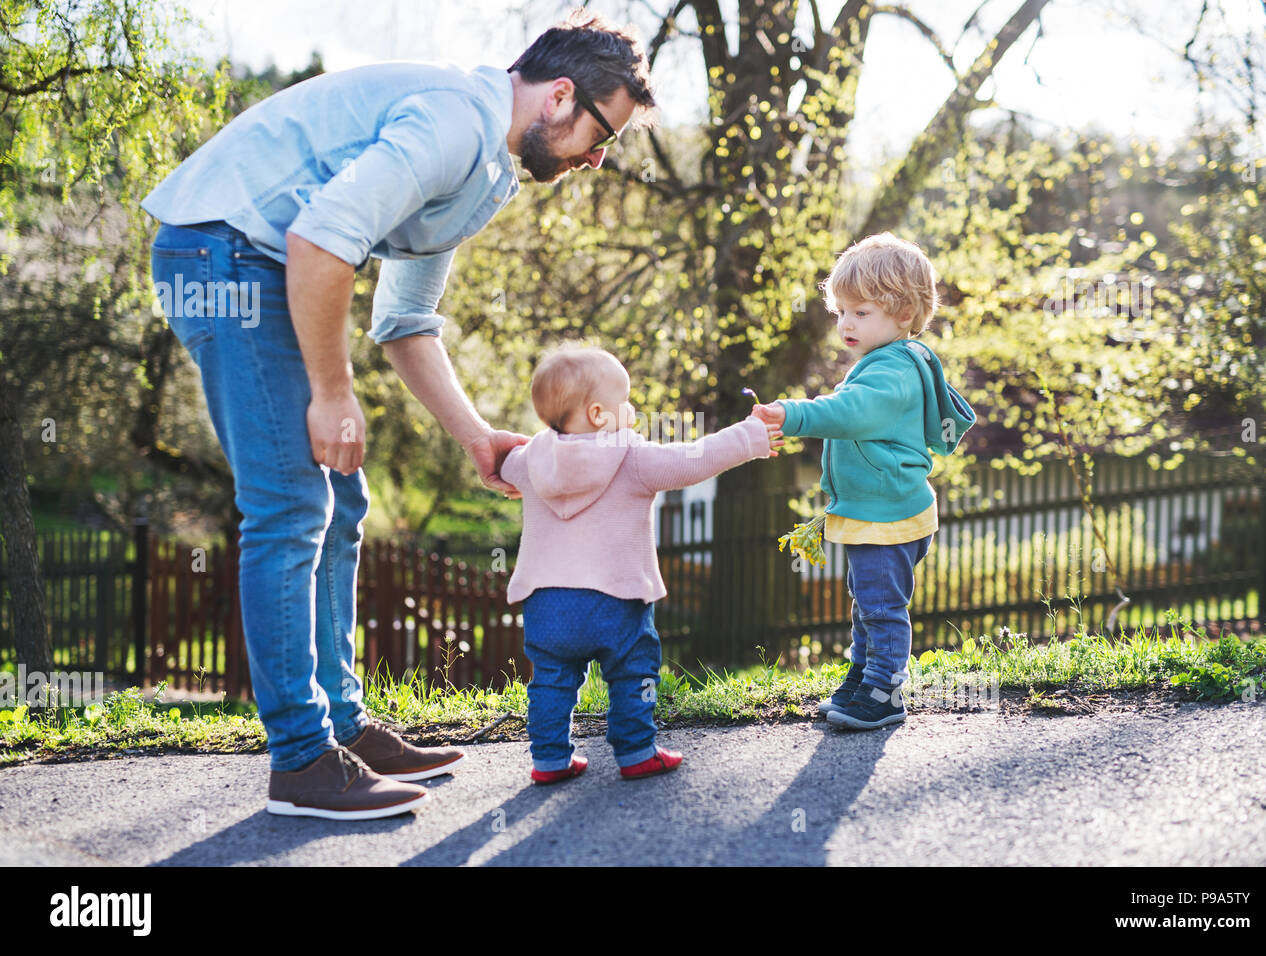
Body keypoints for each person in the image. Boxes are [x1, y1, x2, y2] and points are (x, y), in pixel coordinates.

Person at [141, 12, 656, 820]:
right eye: (600, 137)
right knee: (289, 503)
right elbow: (320, 240)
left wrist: (476, 438)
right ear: (560, 96)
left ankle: (344, 725)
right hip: (223, 253)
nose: (596, 160)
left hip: (262, 257)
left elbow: (406, 321)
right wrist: (332, 391)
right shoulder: (456, 120)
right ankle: (301, 760)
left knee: (342, 501)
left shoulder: (488, 170)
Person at [500, 347, 782, 783]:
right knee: (633, 674)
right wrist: (750, 436)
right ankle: (636, 752)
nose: (631, 410)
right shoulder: (632, 456)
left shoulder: (529, 461)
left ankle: (550, 760)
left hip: (546, 602)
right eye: (625, 400)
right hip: (617, 599)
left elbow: (503, 462)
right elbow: (695, 458)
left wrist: (509, 453)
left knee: (551, 681)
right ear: (597, 413)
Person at [752, 233, 976, 730]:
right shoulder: (885, 362)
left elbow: (850, 413)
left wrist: (791, 415)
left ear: (903, 312)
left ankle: (885, 692)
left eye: (861, 312)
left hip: (888, 515)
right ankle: (862, 676)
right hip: (876, 510)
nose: (847, 324)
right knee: (867, 604)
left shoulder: (891, 372)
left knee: (881, 607)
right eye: (841, 313)